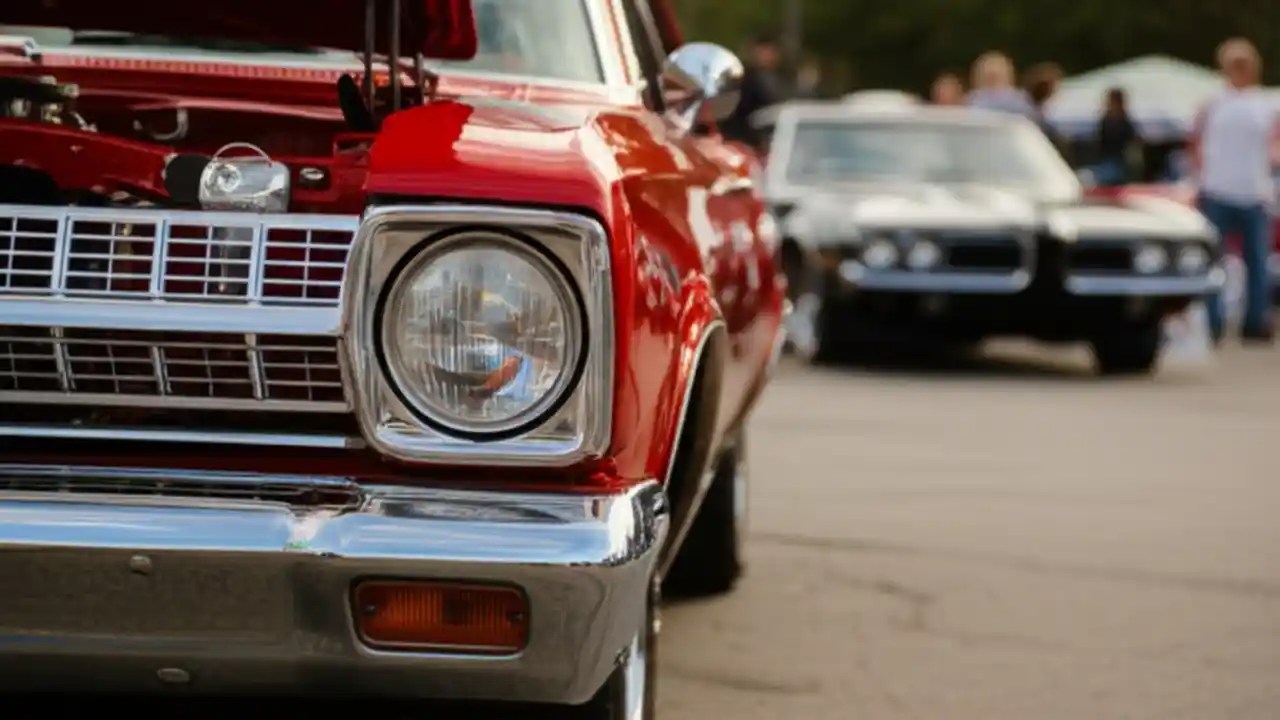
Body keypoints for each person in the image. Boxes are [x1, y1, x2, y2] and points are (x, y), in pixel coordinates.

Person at [1189, 37, 1278, 344]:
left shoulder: (1267, 103)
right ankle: (1213, 322)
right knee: (1214, 262)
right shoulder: (1212, 103)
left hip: (1255, 192)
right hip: (1217, 190)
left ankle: (1255, 322)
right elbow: (1195, 142)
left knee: (1258, 264)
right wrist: (1199, 177)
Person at [719, 31, 784, 153]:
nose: (766, 56)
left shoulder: (780, 82)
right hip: (743, 144)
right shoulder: (742, 81)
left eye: (771, 52)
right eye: (763, 51)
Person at [966, 51, 1036, 119]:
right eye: (989, 75)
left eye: (996, 75)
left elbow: (1027, 121)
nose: (993, 79)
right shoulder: (972, 100)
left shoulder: (1019, 100)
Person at [1094, 88, 1139, 186]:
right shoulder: (1105, 120)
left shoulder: (1125, 120)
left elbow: (1131, 138)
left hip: (1121, 159)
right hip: (1107, 159)